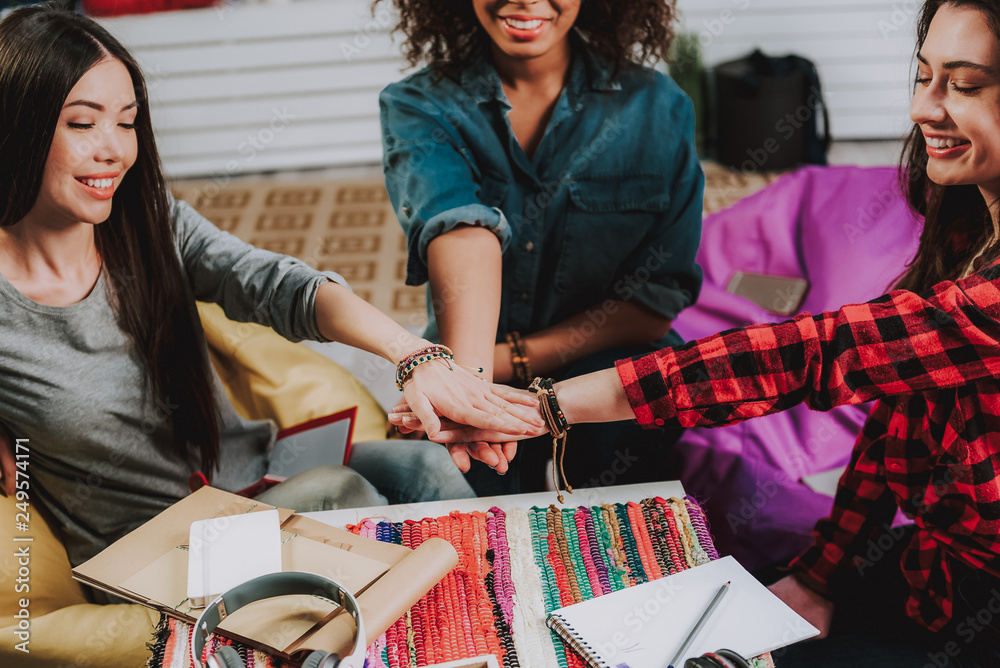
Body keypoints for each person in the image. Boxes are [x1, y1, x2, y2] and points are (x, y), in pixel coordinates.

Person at [399, 1, 1000, 664]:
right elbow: (893, 419)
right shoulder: (964, 232)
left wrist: (539, 403)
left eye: (966, 85)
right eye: (923, 77)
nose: (925, 108)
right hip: (928, 576)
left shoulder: (653, 105)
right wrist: (819, 575)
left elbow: (807, 354)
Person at [0, 6, 540, 574]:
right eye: (82, 123)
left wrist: (414, 356)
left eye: (127, 121)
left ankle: (497, 609)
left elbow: (278, 286)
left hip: (249, 475)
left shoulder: (148, 223)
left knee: (430, 470)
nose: (114, 150)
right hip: (157, 552)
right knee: (345, 496)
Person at [376, 0, 704, 493]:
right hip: (474, 354)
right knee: (475, 512)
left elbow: (653, 302)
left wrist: (508, 365)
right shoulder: (418, 103)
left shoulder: (658, 107)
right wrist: (471, 391)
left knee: (626, 497)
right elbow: (461, 231)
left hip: (604, 357)